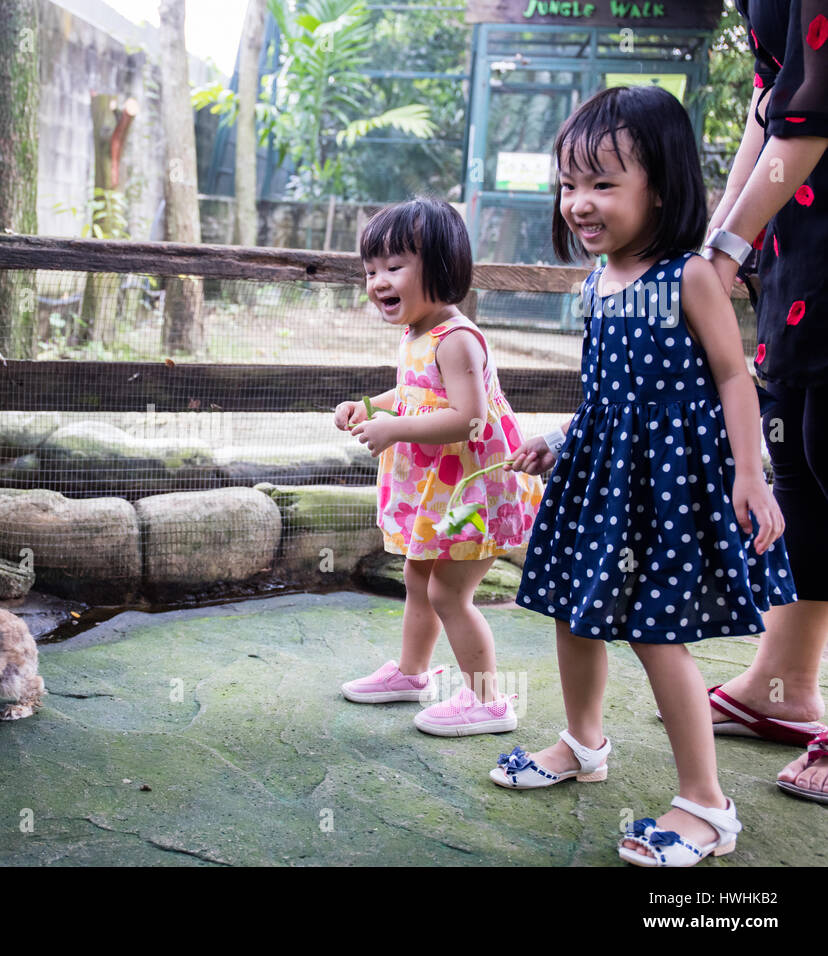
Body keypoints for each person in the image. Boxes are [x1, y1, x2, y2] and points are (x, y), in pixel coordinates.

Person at [495, 85, 795, 866]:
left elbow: (734, 378)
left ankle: (707, 805)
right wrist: (561, 439)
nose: (579, 203)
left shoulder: (689, 276)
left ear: (659, 185)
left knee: (657, 634)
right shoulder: (596, 283)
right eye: (569, 183)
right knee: (572, 609)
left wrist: (750, 474)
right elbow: (606, 394)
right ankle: (582, 744)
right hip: (602, 477)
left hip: (670, 485)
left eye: (602, 182)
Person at [335, 198, 544, 736]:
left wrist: (393, 430)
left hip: (473, 490)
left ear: (442, 266)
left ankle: (488, 702)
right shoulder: (418, 333)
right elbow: (413, 392)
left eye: (394, 266)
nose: (379, 280)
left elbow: (468, 419)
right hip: (442, 491)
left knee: (448, 593)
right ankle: (413, 672)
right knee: (417, 576)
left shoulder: (456, 338)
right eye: (371, 270)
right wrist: (371, 408)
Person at [699, 0, 828, 804]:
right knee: (806, 467)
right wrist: (713, 250)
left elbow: (817, 104)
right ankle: (784, 683)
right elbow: (773, 96)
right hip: (804, 244)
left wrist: (728, 246)